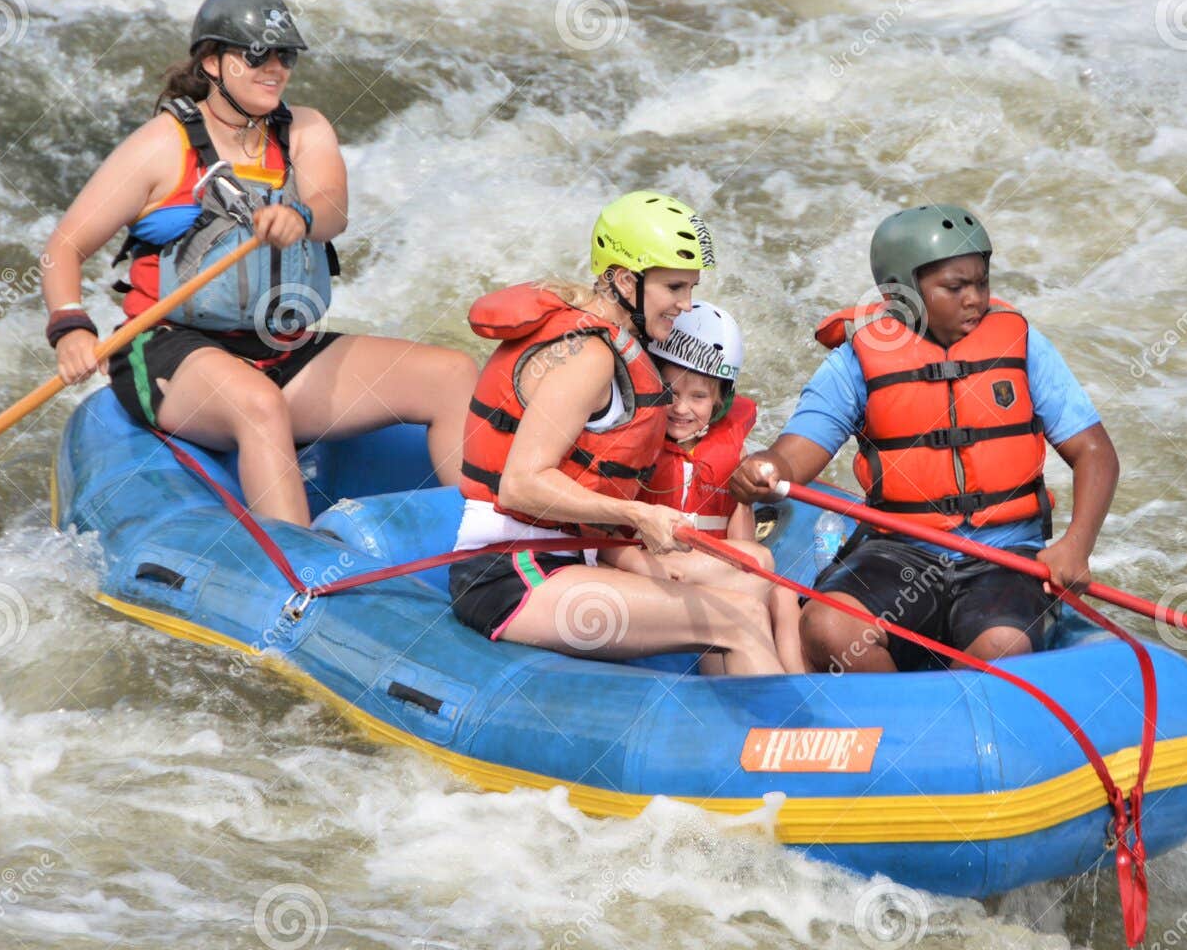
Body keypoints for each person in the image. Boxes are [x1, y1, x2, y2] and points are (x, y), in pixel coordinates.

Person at [41, 0, 477, 525]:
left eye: (284, 55)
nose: (276, 68)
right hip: (172, 351)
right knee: (259, 407)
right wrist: (70, 326)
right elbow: (66, 245)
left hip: (280, 349)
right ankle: (303, 580)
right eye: (257, 55)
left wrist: (302, 216)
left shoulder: (305, 130)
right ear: (213, 62)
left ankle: (489, 550)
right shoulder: (162, 145)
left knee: (452, 372)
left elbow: (331, 207)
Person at [731, 204, 1119, 673]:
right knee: (828, 628)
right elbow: (796, 454)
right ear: (904, 294)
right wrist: (766, 469)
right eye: (955, 288)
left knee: (1003, 646)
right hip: (899, 552)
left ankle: (955, 715)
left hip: (1006, 555)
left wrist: (1077, 544)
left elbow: (1094, 452)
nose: (975, 298)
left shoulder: (1022, 344)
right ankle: (896, 721)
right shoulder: (859, 359)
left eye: (981, 282)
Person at [449, 191, 786, 676]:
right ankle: (781, 746)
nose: (685, 304)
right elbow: (521, 483)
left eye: (690, 288)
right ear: (627, 280)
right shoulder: (587, 355)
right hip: (510, 573)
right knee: (741, 614)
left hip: (565, 558)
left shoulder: (606, 338)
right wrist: (636, 513)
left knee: (748, 578)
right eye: (674, 287)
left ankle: (724, 718)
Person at [605, 302, 806, 672]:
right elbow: (605, 535)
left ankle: (800, 685)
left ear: (719, 401)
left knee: (782, 591)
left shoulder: (731, 451)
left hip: (707, 562)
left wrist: (744, 499)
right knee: (748, 576)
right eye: (670, 392)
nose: (681, 407)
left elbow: (740, 546)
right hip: (642, 561)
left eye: (698, 396)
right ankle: (725, 689)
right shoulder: (630, 446)